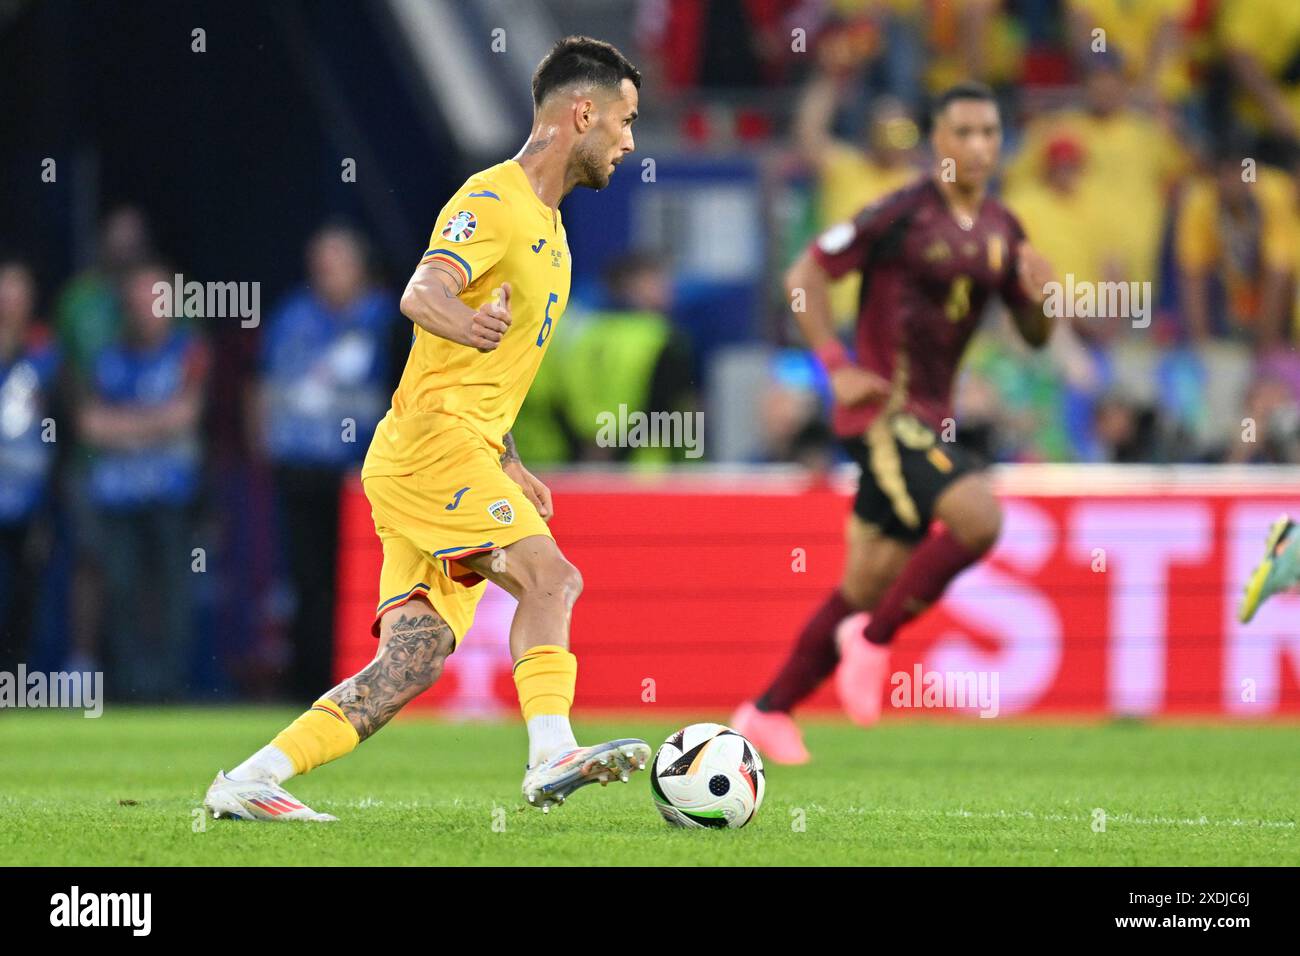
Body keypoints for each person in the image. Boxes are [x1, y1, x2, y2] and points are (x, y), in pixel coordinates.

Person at [205, 36, 648, 822]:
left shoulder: (554, 235)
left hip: (450, 451)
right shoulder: (493, 199)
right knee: (553, 580)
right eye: (624, 120)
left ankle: (248, 780)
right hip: (430, 449)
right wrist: (462, 321)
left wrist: (507, 458)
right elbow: (421, 290)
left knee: (412, 661)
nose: (629, 141)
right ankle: (550, 754)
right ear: (583, 112)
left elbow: (487, 379)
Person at [732, 82, 1056, 764]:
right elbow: (804, 275)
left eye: (989, 133)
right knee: (980, 519)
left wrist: (1041, 297)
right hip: (881, 412)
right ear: (936, 142)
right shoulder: (901, 214)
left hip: (933, 421)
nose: (977, 146)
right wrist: (833, 362)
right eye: (962, 133)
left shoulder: (1003, 227)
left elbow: (1033, 335)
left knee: (867, 584)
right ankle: (875, 642)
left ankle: (766, 712)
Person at [254, 224, 393, 699]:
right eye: (320, 262)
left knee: (362, 579)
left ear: (359, 266)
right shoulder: (291, 316)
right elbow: (263, 384)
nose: (326, 272)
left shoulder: (387, 316)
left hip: (362, 474)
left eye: (336, 262)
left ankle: (362, 678)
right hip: (299, 467)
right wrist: (264, 446)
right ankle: (308, 683)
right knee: (305, 579)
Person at [79, 261, 209, 701]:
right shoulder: (108, 356)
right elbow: (91, 425)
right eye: (139, 301)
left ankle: (170, 688)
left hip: (173, 495)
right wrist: (155, 424)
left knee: (173, 592)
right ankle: (127, 688)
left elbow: (186, 415)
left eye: (156, 300)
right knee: (120, 589)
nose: (147, 310)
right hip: (117, 497)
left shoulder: (189, 351)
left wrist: (125, 426)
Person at [0, 262, 60, 672]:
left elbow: (63, 427)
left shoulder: (46, 352)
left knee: (24, 592)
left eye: (17, 292)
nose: (9, 302)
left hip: (30, 495)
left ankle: (14, 680)